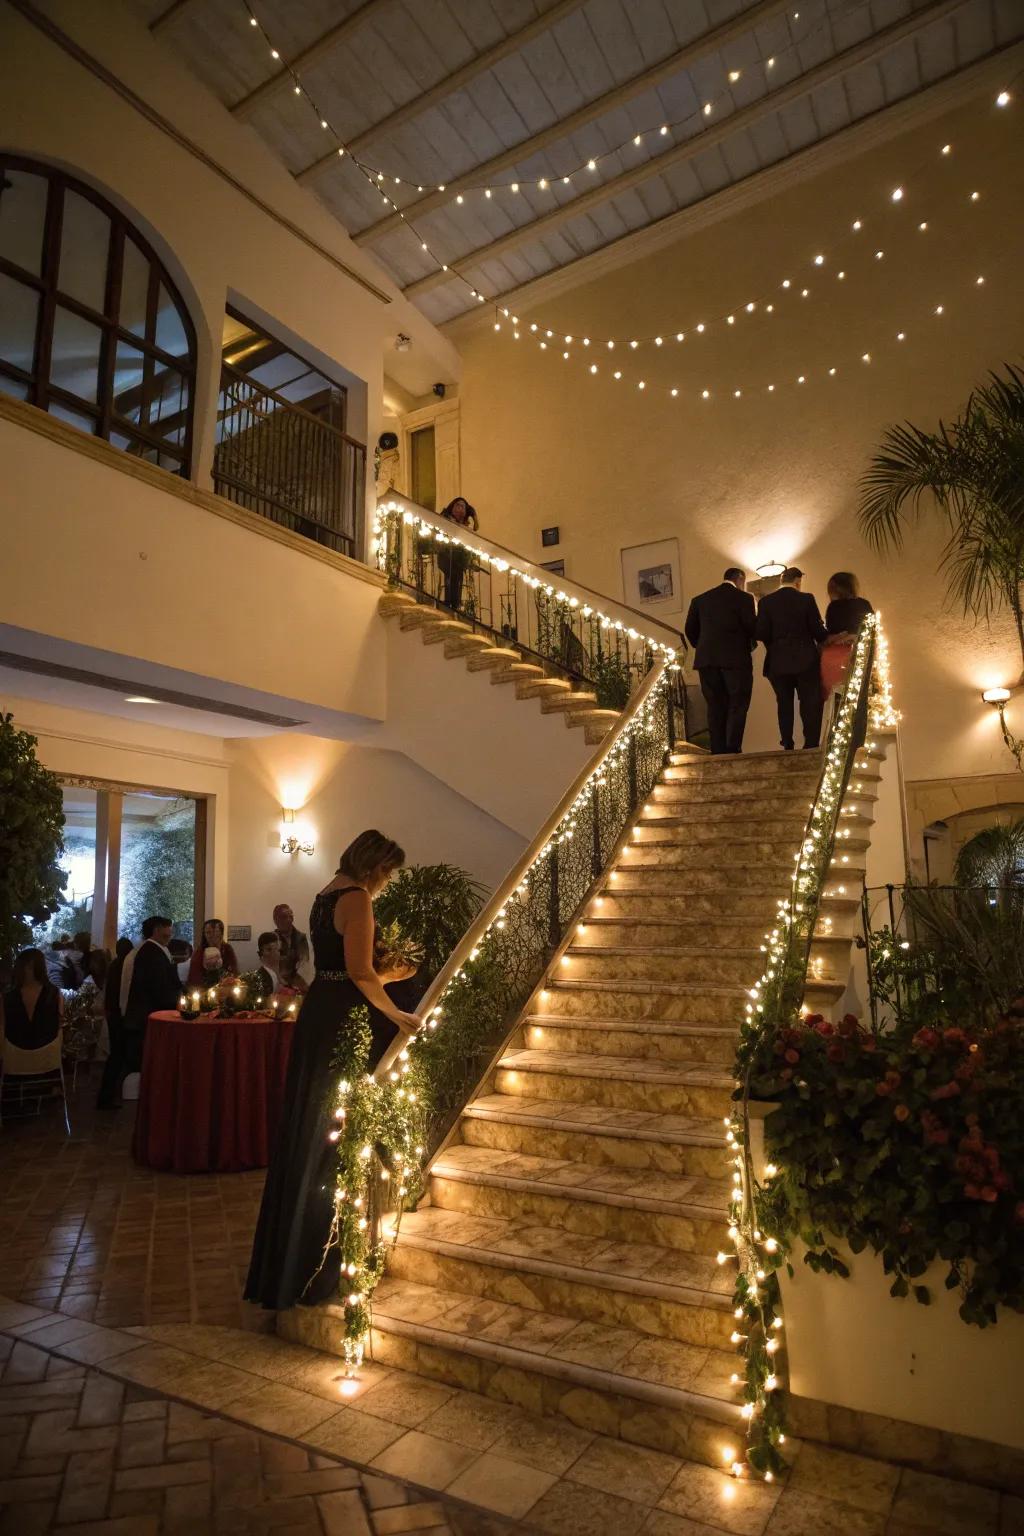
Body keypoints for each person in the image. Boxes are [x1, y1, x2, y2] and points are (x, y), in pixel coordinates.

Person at [246, 830, 421, 1312]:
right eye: (388, 871)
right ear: (375, 866)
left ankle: (293, 1260)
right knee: (334, 1126)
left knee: (313, 1122)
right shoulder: (359, 898)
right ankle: (318, 1263)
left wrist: (387, 975)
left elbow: (340, 972)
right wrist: (397, 1010)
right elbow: (361, 975)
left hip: (320, 1011)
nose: (388, 880)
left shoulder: (325, 894)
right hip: (343, 1019)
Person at [684, 567, 757, 755]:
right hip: (735, 660)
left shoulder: (700, 600)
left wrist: (703, 647)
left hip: (707, 660)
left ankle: (717, 750)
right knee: (738, 703)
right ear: (740, 579)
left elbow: (690, 630)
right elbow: (751, 627)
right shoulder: (744, 598)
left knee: (714, 705)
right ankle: (732, 748)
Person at [755, 567, 829, 750]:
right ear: (798, 581)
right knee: (809, 702)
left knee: (784, 702)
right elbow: (818, 632)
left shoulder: (765, 602)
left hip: (778, 661)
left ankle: (787, 742)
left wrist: (775, 646)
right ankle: (810, 742)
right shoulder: (806, 599)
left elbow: (761, 632)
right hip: (805, 659)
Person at [122, 915, 179, 1076]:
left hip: (142, 1014)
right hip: (146, 1015)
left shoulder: (151, 950)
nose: (171, 933)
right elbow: (159, 986)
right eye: (168, 928)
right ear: (157, 930)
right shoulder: (151, 952)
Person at [821, 571, 875, 697]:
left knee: (835, 699)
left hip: (834, 657)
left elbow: (831, 631)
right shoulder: (864, 604)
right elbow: (871, 629)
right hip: (859, 654)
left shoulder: (833, 607)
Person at [0, 948, 64, 1052]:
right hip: (18, 1055)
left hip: (46, 1055)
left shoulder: (54, 994)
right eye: (24, 967)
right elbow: (2, 1027)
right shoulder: (8, 996)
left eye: (29, 967)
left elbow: (59, 1025)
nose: (26, 970)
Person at [97, 937, 134, 1110]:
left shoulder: (113, 965)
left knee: (116, 1055)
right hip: (119, 1016)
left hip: (112, 1015)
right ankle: (108, 1096)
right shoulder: (124, 967)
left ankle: (110, 1093)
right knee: (118, 1055)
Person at [437, 496, 478, 612]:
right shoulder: (445, 516)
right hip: (445, 554)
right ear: (452, 506)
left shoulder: (464, 525)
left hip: (458, 558)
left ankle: (455, 604)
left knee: (458, 575)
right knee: (452, 572)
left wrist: (474, 515)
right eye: (457, 505)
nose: (459, 509)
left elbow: (476, 528)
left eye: (463, 507)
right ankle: (449, 602)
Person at [186, 919, 238, 985]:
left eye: (216, 932)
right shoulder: (200, 952)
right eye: (208, 932)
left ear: (221, 934)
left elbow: (234, 970)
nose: (212, 936)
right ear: (204, 935)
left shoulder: (227, 949)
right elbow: (195, 976)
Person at [273, 903, 310, 991]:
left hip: (298, 985)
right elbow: (270, 963)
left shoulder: (301, 938)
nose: (289, 920)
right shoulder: (272, 938)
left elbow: (304, 963)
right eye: (284, 917)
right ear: (275, 920)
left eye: (291, 916)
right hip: (277, 985)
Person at [253, 932, 284, 998]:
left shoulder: (282, 973)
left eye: (279, 950)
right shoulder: (260, 977)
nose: (279, 953)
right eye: (277, 950)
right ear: (266, 951)